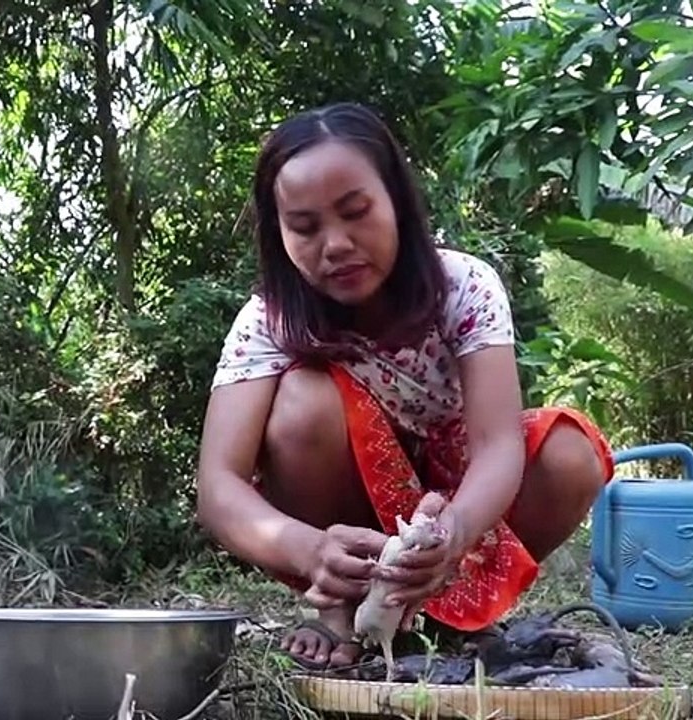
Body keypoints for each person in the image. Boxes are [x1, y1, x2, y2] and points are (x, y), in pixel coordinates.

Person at [193, 102, 616, 670]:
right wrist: (311, 550)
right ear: (279, 234)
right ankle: (342, 613)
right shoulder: (268, 322)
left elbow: (497, 446)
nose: (336, 243)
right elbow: (218, 486)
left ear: (397, 201)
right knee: (304, 402)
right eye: (305, 226)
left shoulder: (464, 286)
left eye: (356, 212)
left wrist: (455, 532)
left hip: (450, 509)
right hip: (348, 525)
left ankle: (444, 613)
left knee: (570, 454)